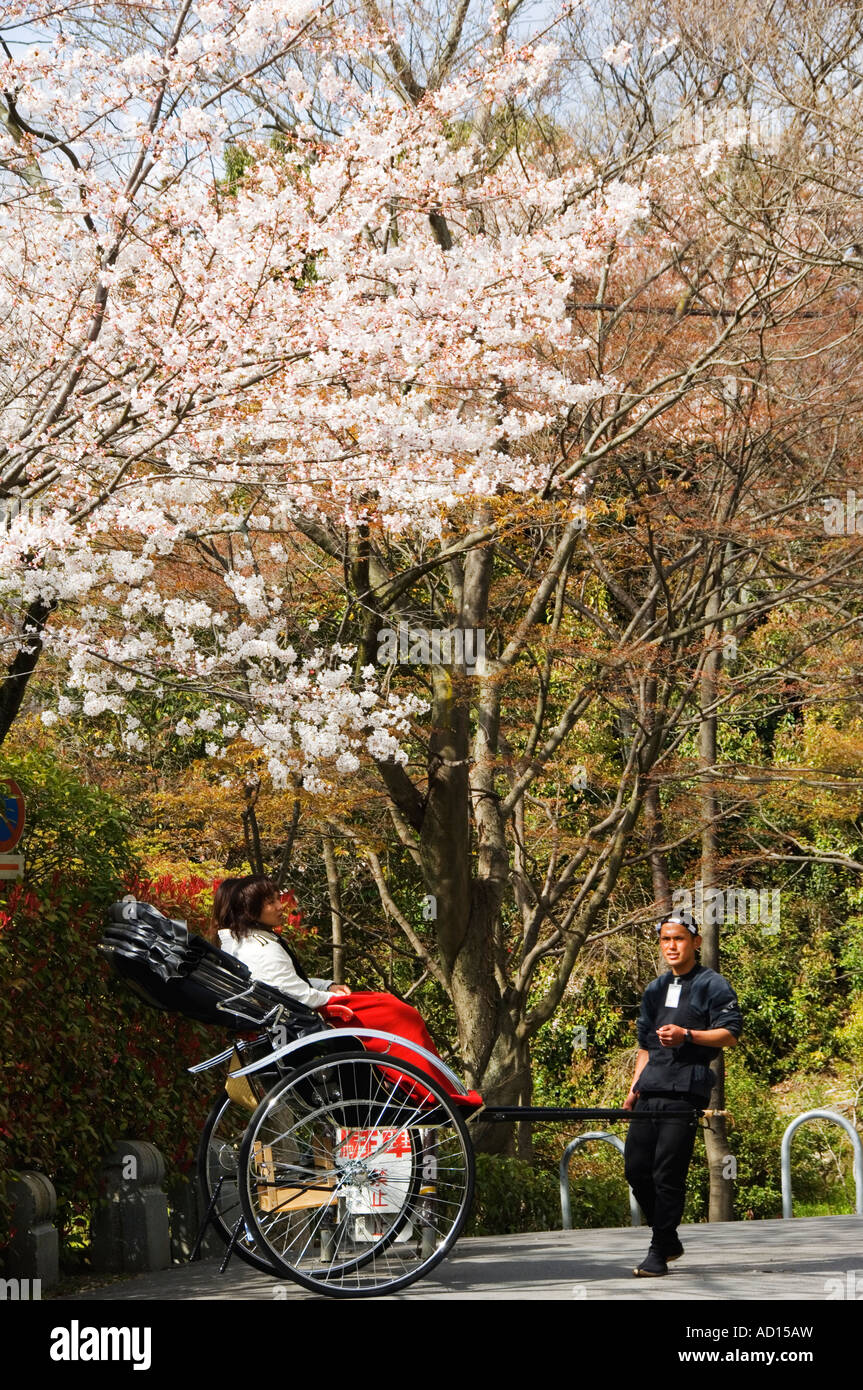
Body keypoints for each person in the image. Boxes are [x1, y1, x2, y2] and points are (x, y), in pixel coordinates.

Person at [216, 874, 482, 1109]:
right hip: (306, 1017)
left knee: (392, 1007)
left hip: (297, 1012)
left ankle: (430, 1088)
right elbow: (298, 994)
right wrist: (333, 997)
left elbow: (288, 982)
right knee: (400, 1015)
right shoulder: (261, 947)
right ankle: (432, 1092)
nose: (279, 907)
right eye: (270, 902)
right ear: (250, 909)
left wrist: (327, 987)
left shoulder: (242, 943)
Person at [623, 910, 742, 1277]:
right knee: (636, 1169)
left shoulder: (712, 984)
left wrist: (688, 1035)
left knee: (666, 1173)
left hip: (684, 1090)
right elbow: (644, 1045)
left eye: (677, 939)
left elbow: (730, 1034)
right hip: (649, 1089)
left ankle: (659, 1251)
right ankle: (669, 1239)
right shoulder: (656, 989)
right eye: (665, 940)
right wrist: (632, 1089)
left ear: (695, 942)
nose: (671, 946)